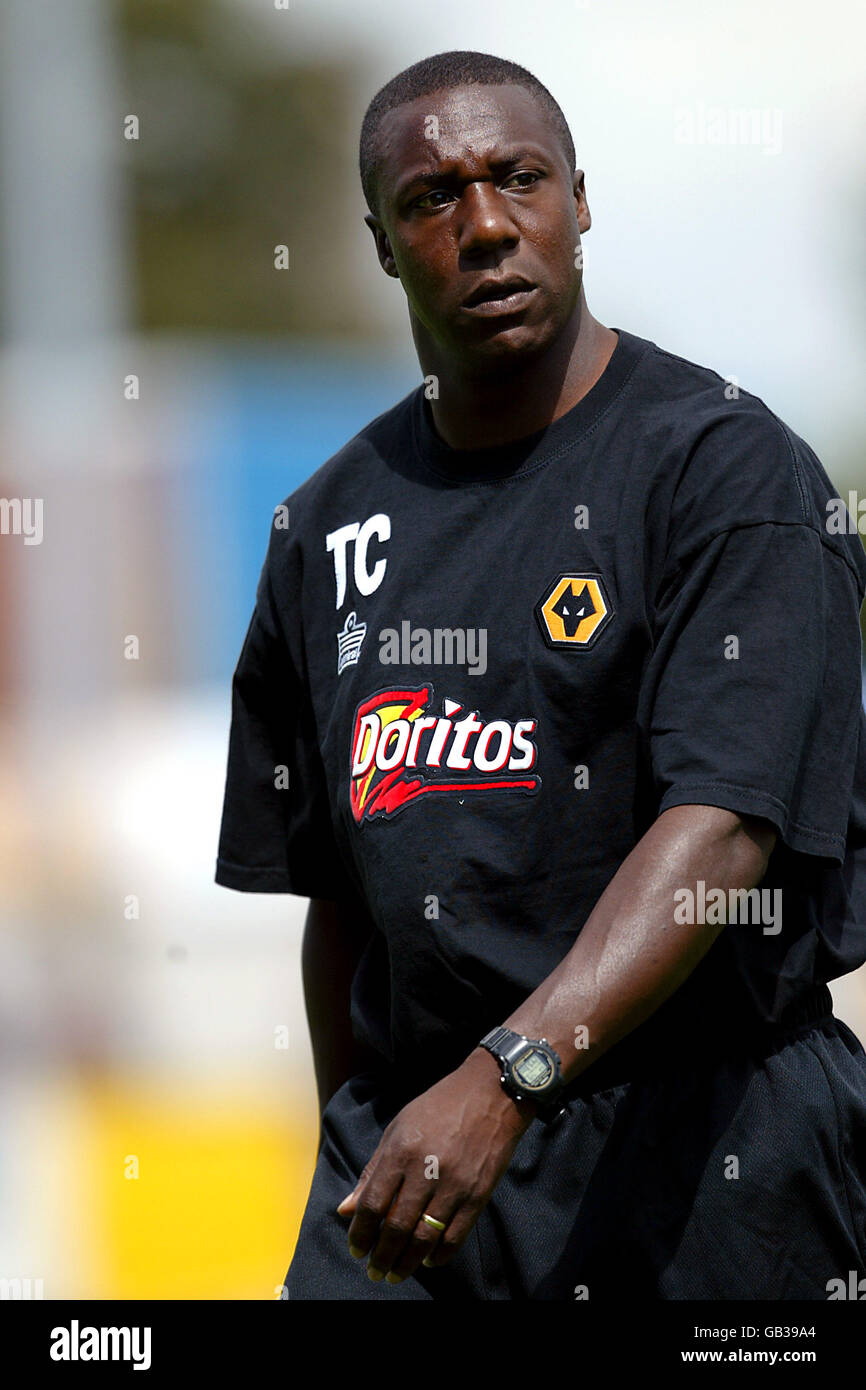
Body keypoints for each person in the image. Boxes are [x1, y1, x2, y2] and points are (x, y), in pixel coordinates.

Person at [214, 50, 866, 1300]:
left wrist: (507, 1075)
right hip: (429, 1155)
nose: (484, 228)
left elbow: (722, 830)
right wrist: (359, 1142)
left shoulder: (724, 473)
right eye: (431, 198)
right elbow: (339, 900)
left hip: (702, 1158)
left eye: (518, 179)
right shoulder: (324, 528)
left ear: (579, 200)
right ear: (379, 241)